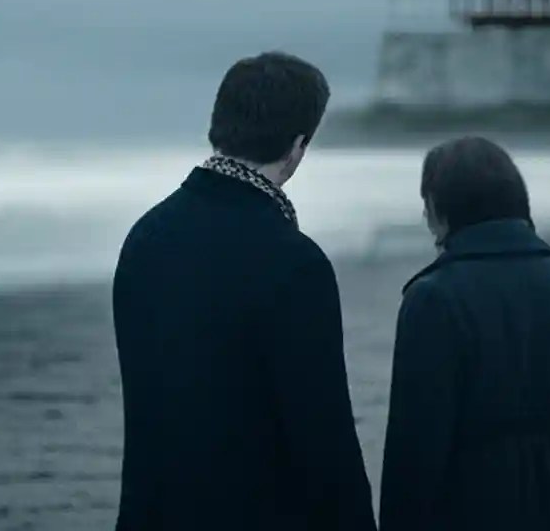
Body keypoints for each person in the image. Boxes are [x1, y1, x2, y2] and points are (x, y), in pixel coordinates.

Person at [112, 52, 375, 530]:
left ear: (219, 124)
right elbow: (323, 436)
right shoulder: (295, 262)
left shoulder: (145, 238)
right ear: (297, 147)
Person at [380, 137, 550, 531]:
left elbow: (416, 445)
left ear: (443, 207)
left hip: (467, 500)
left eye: (427, 202)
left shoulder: (433, 298)